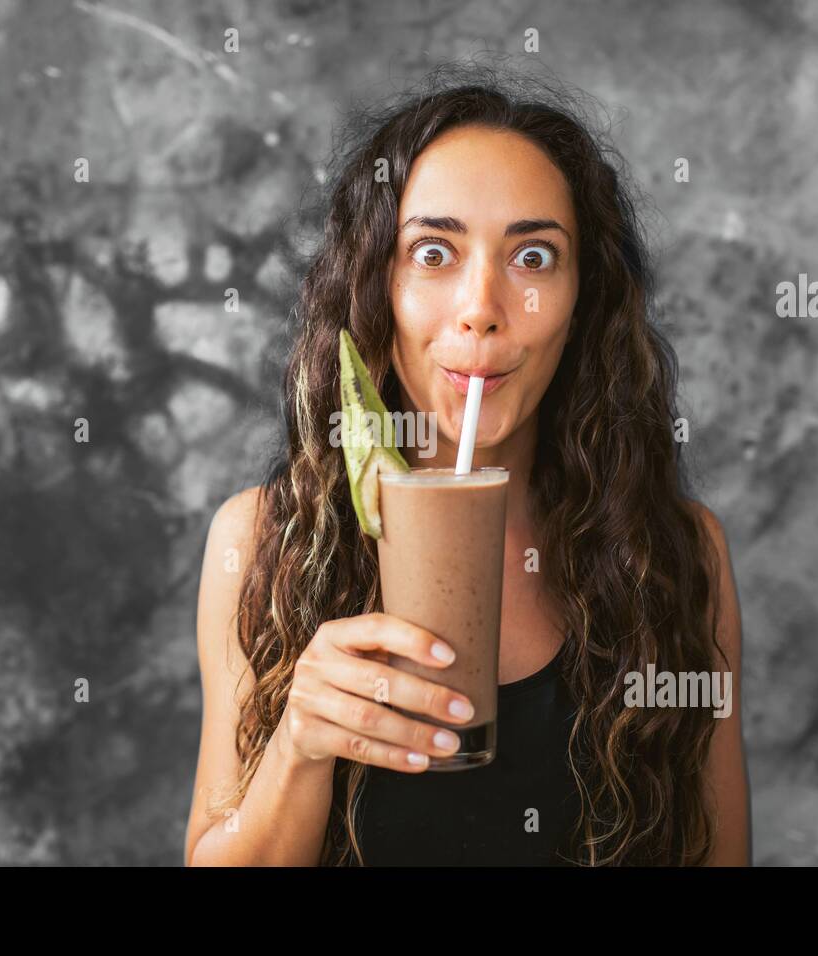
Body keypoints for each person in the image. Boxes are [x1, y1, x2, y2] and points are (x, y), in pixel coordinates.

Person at [185, 63, 751, 866]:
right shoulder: (259, 546)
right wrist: (298, 749)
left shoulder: (679, 555)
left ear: (583, 299)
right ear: (376, 284)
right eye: (433, 251)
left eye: (533, 259)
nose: (482, 308)